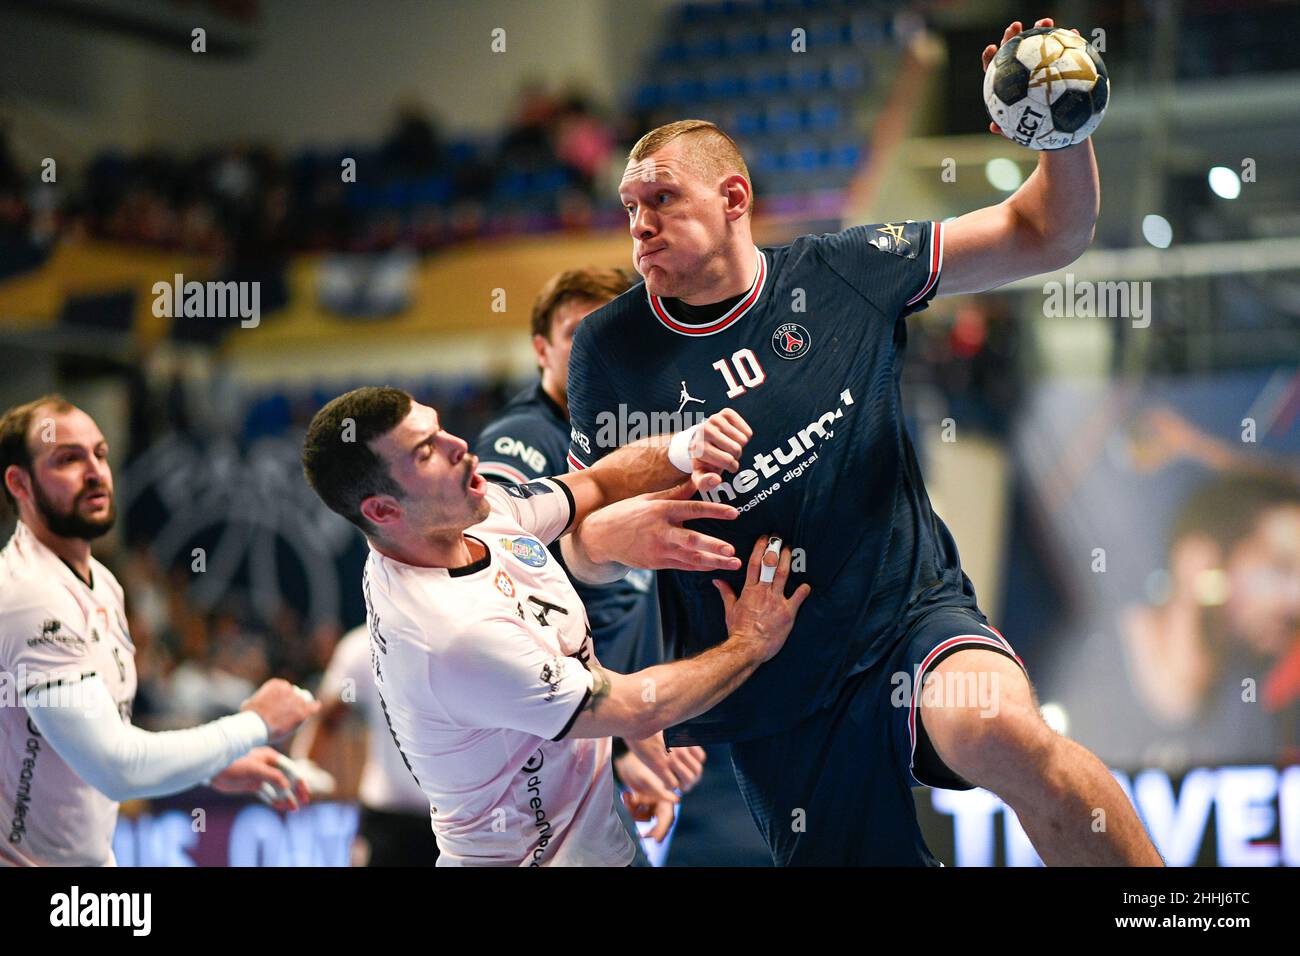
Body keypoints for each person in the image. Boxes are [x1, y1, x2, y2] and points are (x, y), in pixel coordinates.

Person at [562, 20, 1162, 866]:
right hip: (768, 678)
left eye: (662, 199)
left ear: (734, 199)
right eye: (629, 208)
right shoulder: (609, 348)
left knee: (1003, 734)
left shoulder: (842, 273)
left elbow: (1047, 234)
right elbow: (583, 538)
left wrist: (1062, 132)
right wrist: (632, 531)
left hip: (906, 616)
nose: (640, 225)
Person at [300, 386, 808, 865]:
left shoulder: (468, 515)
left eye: (439, 429)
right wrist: (749, 642)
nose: (459, 445)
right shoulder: (452, 633)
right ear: (383, 509)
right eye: (425, 451)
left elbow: (596, 483)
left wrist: (686, 447)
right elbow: (630, 706)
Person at [0, 395, 319, 867]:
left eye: (100, 454)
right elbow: (118, 767)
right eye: (68, 459)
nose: (94, 472)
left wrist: (209, 768)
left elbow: (104, 731)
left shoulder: (100, 582)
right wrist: (255, 724)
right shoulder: (30, 596)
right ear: (19, 483)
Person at [473, 266, 706, 817]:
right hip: (554, 736)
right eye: (577, 332)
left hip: (612, 729)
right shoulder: (526, 436)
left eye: (608, 329)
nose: (594, 346)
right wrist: (621, 726)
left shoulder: (635, 436)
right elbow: (491, 573)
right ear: (540, 350)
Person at [292, 624, 441, 866]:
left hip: (455, 822)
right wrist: (302, 766)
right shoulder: (362, 646)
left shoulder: (464, 635)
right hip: (388, 816)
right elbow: (328, 716)